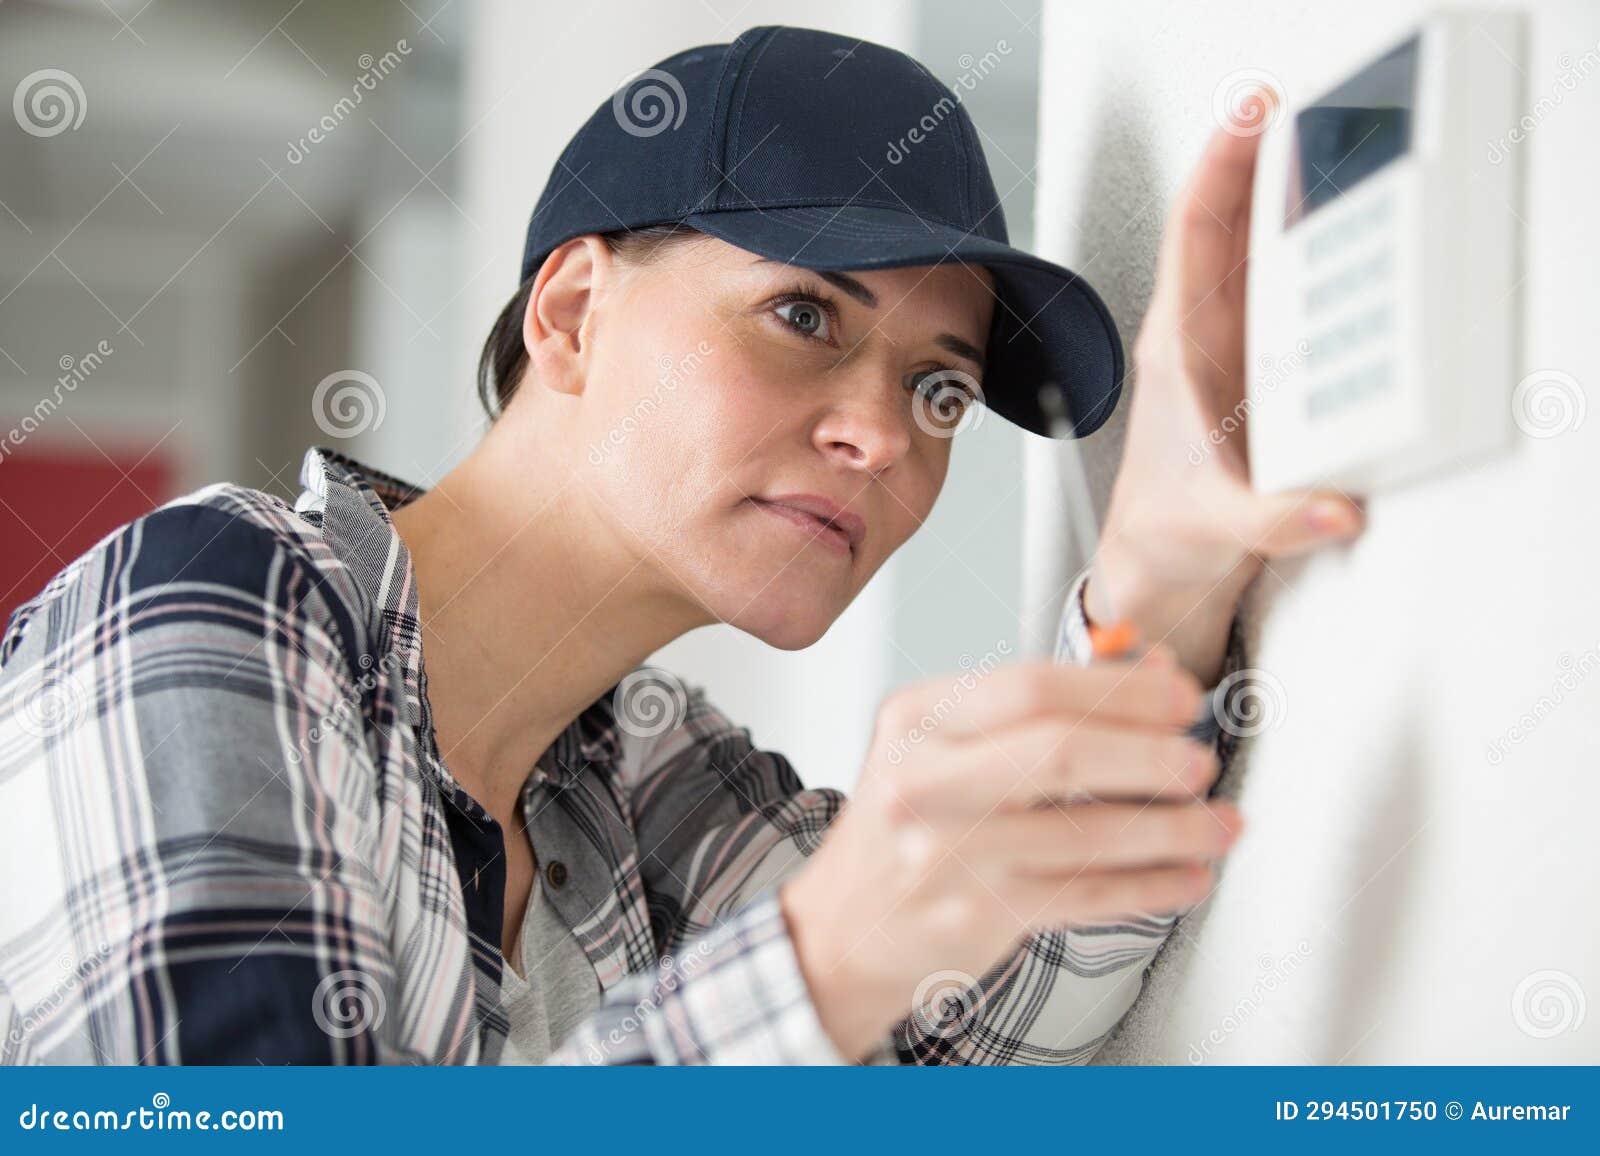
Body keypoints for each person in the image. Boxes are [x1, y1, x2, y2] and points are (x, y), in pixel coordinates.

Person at [0, 26, 1362, 1065]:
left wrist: (1162, 579)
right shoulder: (208, 597)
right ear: (577, 314)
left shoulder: (647, 772)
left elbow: (977, 1032)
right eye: (807, 318)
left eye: (940, 389)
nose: (887, 437)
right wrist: (820, 963)